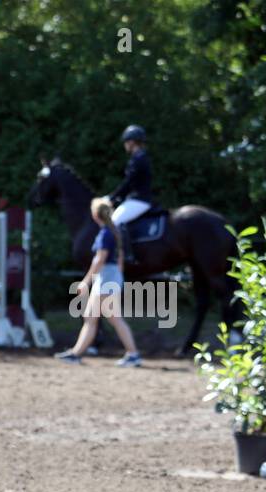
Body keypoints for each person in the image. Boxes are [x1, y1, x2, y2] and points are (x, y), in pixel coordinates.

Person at [56, 197, 141, 366]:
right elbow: (120, 258)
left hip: (106, 278)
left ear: (96, 215)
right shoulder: (114, 232)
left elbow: (99, 260)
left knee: (99, 317)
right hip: (112, 276)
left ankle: (132, 354)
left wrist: (85, 282)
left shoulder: (105, 233)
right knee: (97, 317)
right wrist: (118, 277)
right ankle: (77, 353)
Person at [104, 125, 151, 262]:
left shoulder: (138, 159)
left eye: (126, 142)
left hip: (139, 200)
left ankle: (127, 255)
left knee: (114, 221)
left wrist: (112, 198)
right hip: (136, 198)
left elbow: (128, 183)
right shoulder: (140, 157)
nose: (125, 145)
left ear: (131, 142)